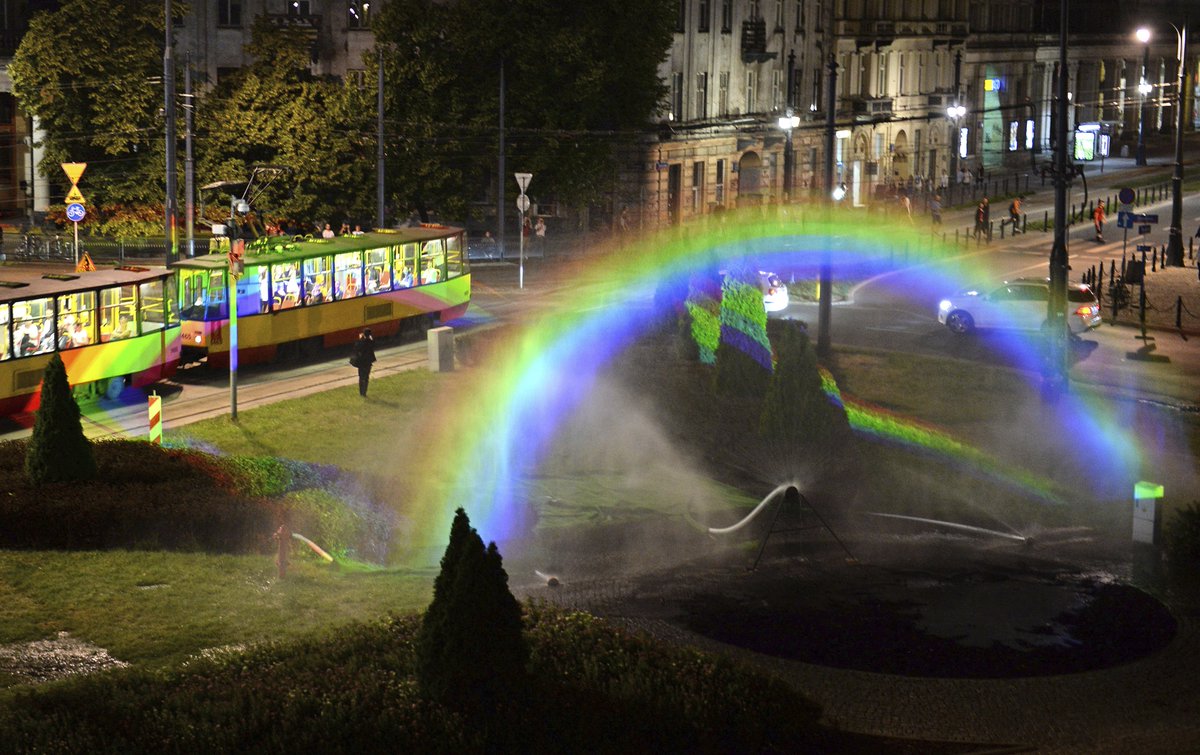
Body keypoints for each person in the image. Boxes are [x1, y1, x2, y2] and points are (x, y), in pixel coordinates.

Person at [351, 328, 376, 397]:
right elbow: (373, 343)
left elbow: (356, 347)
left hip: (361, 362)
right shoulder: (371, 342)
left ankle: (361, 392)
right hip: (368, 362)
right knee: (366, 377)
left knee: (361, 377)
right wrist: (370, 337)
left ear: (364, 334)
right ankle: (364, 392)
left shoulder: (360, 342)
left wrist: (360, 338)